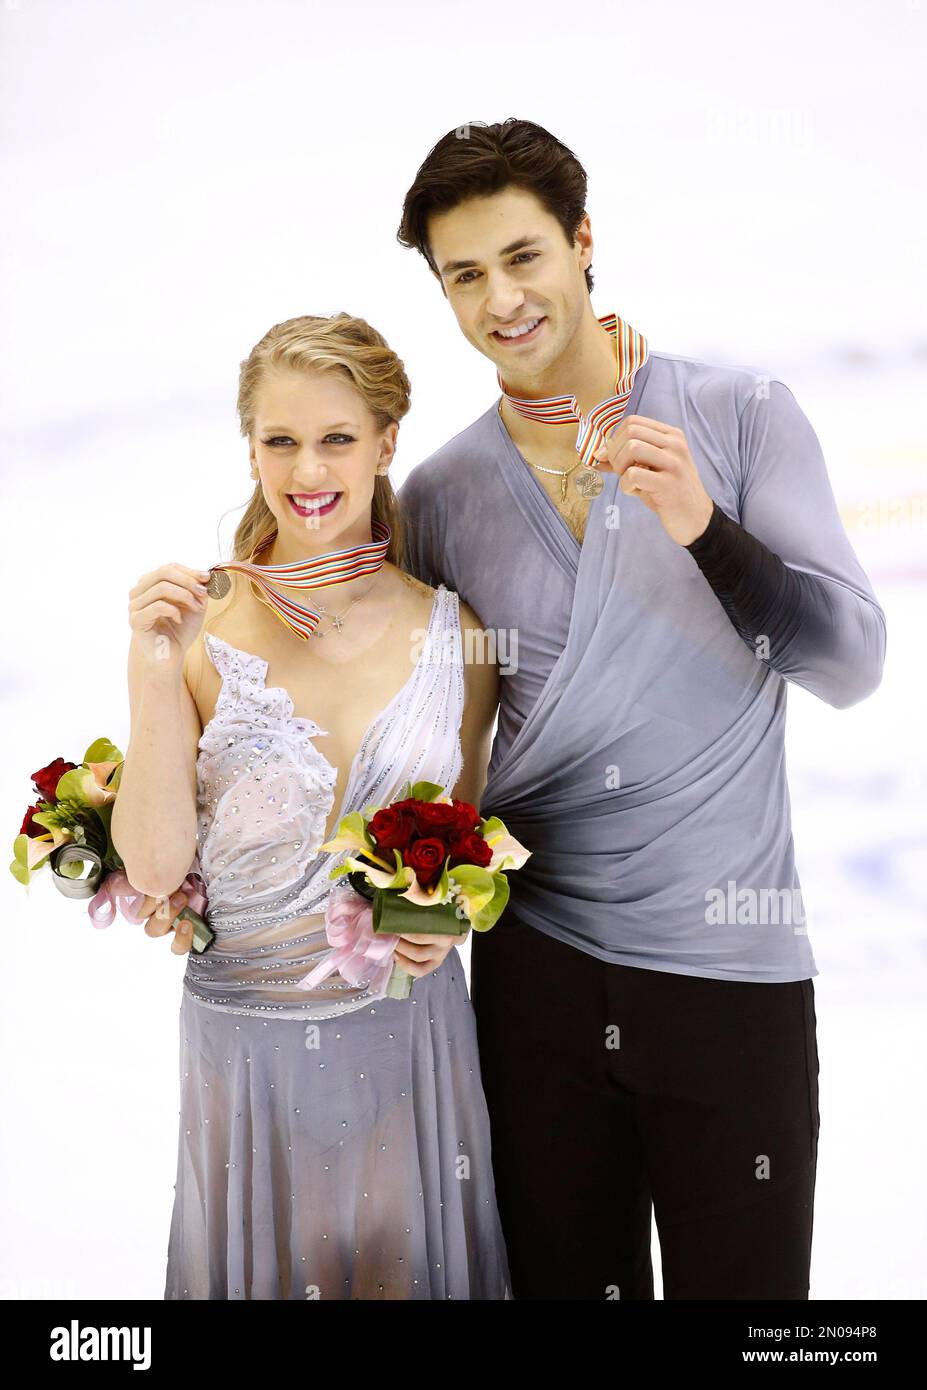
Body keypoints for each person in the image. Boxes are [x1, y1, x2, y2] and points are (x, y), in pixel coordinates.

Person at [392, 118, 887, 1300]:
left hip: (731, 968)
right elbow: (415, 740)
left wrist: (708, 533)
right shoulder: (442, 494)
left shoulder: (741, 415)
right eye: (466, 275)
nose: (502, 299)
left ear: (583, 242)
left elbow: (851, 662)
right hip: (536, 982)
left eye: (523, 257)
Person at [111, 312, 511, 1300]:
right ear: (249, 446)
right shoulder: (202, 630)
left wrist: (442, 921)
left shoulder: (454, 633)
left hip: (408, 1036)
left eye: (337, 437)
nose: (308, 468)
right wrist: (154, 668)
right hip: (246, 1051)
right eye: (280, 440)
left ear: (385, 443)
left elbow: (470, 848)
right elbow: (158, 870)